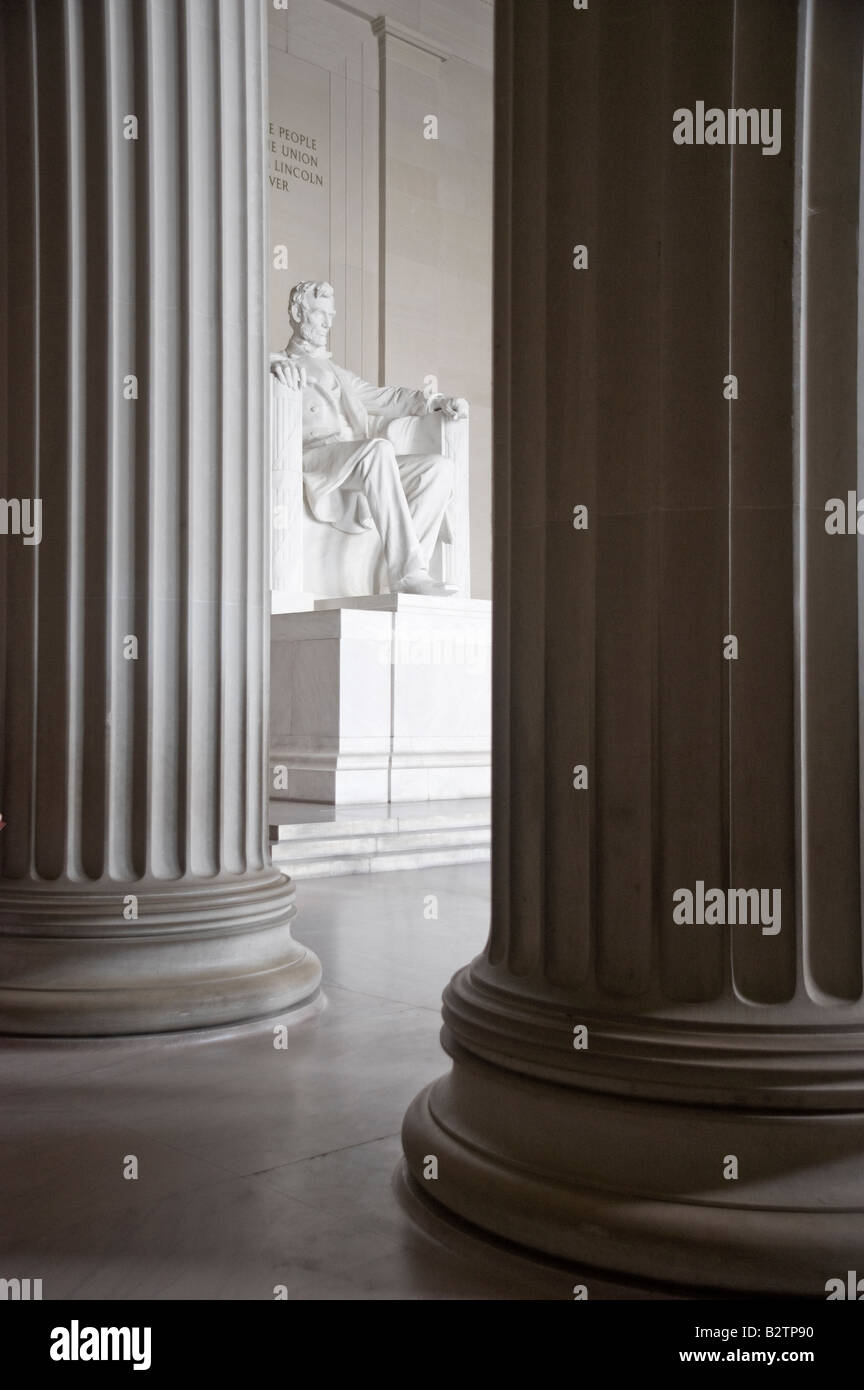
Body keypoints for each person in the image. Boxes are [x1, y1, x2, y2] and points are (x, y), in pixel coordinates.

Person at [270, 280, 467, 596]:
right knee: (378, 451)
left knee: (438, 469)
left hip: (351, 457)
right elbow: (240, 373)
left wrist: (435, 402)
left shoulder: (339, 374)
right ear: (297, 312)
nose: (327, 323)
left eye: (331, 315)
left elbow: (387, 398)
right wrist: (273, 367)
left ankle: (404, 574)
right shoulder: (274, 362)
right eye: (319, 313)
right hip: (311, 457)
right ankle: (409, 573)